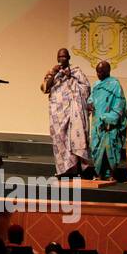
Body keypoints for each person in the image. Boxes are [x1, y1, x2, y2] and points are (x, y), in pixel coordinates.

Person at [40, 48, 92, 177]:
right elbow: (44, 88)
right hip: (57, 113)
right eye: (60, 57)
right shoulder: (52, 72)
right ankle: (64, 169)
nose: (62, 59)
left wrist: (70, 76)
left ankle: (76, 169)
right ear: (57, 58)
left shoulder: (76, 71)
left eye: (64, 56)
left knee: (75, 137)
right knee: (60, 139)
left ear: (69, 58)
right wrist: (53, 73)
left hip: (73, 111)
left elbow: (86, 87)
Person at [87, 60, 126, 180]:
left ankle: (111, 174)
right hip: (97, 123)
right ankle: (99, 173)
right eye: (97, 72)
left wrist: (109, 118)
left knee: (109, 149)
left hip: (109, 124)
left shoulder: (115, 85)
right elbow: (91, 98)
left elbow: (120, 104)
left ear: (108, 71)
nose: (99, 74)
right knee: (96, 148)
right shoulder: (96, 85)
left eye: (101, 71)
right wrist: (90, 104)